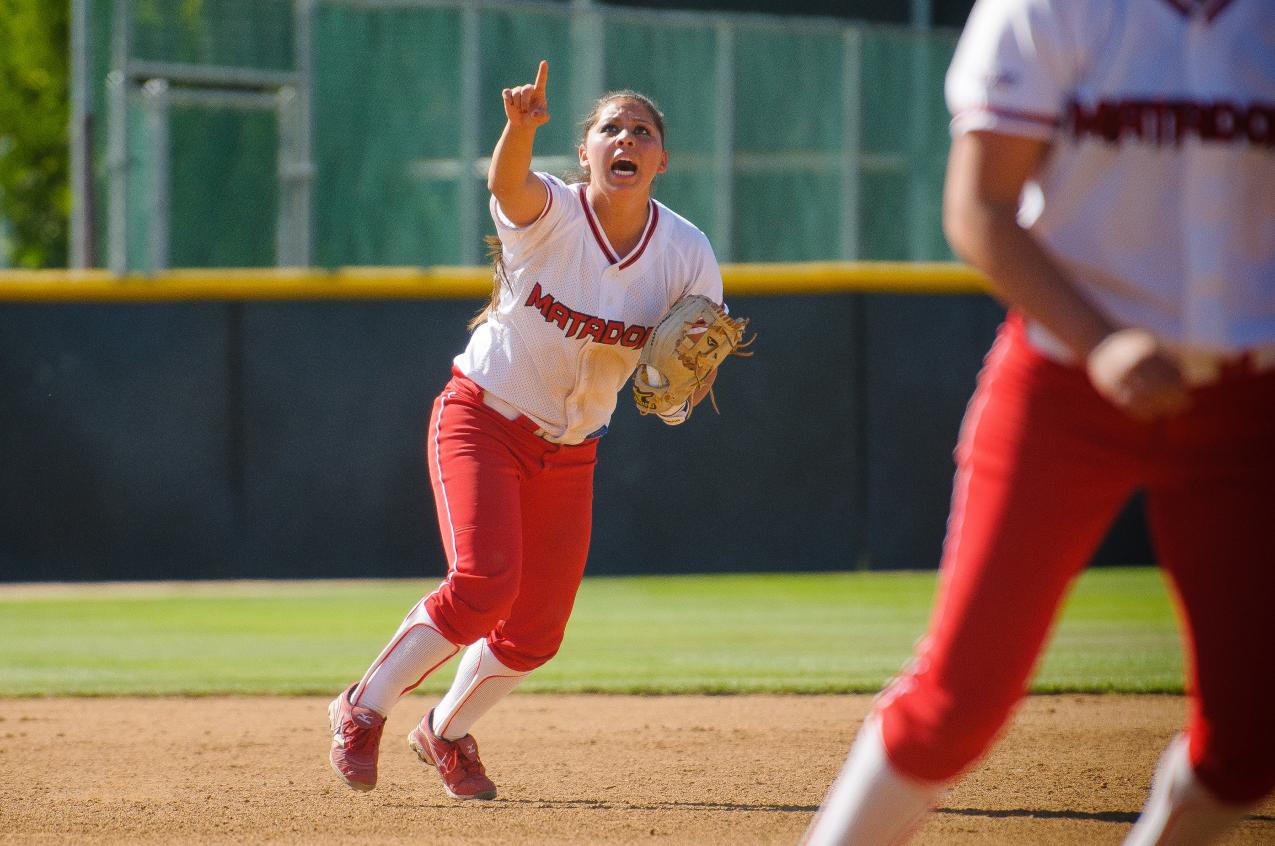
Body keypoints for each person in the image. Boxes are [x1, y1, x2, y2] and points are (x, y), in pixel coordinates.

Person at [803, 0, 1275, 843]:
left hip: (1246, 407)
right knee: (957, 702)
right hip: (1064, 386)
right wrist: (1101, 342)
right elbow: (978, 207)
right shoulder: (1052, 8)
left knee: (1249, 740)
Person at [326, 60, 728, 800]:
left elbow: (692, 360)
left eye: (641, 131)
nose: (626, 139)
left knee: (536, 632)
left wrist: (678, 395)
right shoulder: (553, 213)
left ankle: (444, 733)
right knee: (483, 587)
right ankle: (364, 706)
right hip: (484, 418)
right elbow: (506, 186)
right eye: (610, 128)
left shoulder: (686, 251)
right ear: (585, 152)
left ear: (661, 160)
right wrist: (518, 130)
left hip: (572, 450)